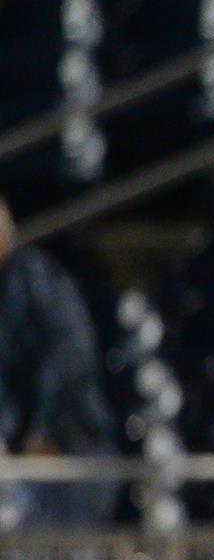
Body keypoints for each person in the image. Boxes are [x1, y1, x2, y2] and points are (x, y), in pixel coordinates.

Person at [0, 193, 119, 527]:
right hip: (26, 460)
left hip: (72, 453)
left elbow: (68, 361)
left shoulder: (37, 280)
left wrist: (41, 433)